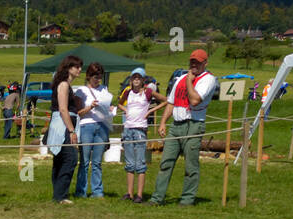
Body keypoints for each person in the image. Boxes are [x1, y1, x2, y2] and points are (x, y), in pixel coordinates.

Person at [149, 49, 217, 206]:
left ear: (205, 63)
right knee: (165, 163)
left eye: (198, 62)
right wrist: (163, 121)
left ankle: (187, 199)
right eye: (192, 61)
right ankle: (157, 198)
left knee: (190, 165)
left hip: (193, 124)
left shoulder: (208, 79)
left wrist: (189, 80)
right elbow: (171, 102)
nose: (194, 64)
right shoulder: (179, 79)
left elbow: (194, 100)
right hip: (176, 125)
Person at [120, 69, 162, 203]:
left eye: (139, 78)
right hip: (128, 129)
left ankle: (139, 194)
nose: (136, 80)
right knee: (129, 163)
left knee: (140, 163)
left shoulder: (148, 92)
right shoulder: (128, 92)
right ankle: (129, 193)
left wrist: (150, 111)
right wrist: (125, 110)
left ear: (143, 80)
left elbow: (166, 101)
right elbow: (120, 103)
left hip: (140, 130)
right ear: (131, 80)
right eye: (134, 78)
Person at [46, 55, 82, 205]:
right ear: (69, 68)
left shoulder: (65, 85)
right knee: (70, 159)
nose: (80, 69)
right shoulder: (64, 85)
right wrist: (72, 131)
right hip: (63, 125)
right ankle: (60, 195)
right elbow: (62, 109)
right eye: (77, 67)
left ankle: (58, 194)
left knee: (61, 159)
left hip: (65, 123)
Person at [73, 63, 112, 199]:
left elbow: (107, 107)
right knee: (84, 161)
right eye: (95, 77)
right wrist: (90, 106)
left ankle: (97, 191)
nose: (98, 80)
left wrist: (109, 109)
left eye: (100, 77)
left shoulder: (104, 90)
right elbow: (79, 112)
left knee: (97, 162)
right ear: (89, 76)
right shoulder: (81, 91)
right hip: (86, 126)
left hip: (102, 126)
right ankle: (80, 191)